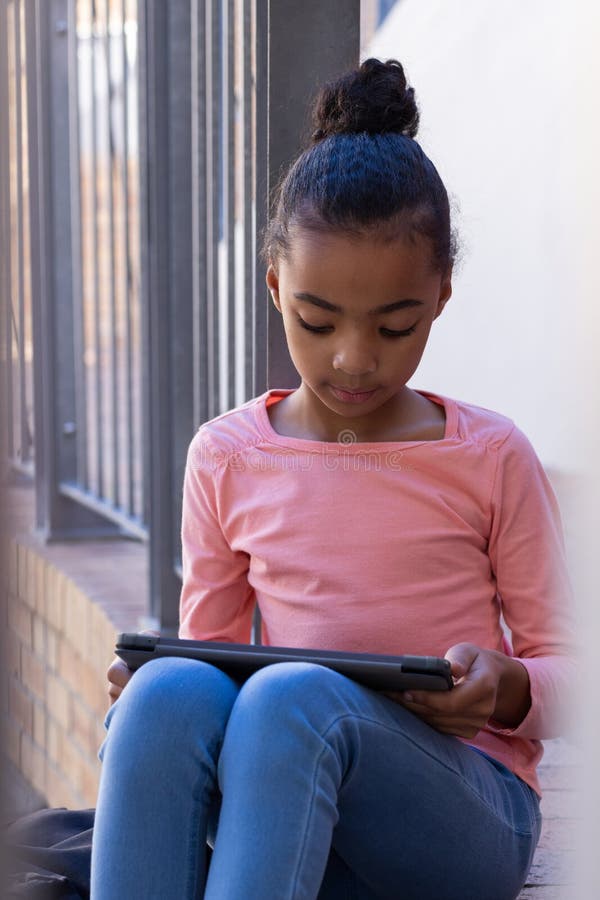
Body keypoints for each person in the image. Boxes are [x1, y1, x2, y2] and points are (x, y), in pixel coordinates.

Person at [90, 58, 576, 900]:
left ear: (441, 296)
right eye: (317, 321)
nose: (353, 359)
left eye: (395, 325)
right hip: (290, 801)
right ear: (277, 289)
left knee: (294, 698)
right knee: (171, 691)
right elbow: (213, 663)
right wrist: (148, 694)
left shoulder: (492, 457)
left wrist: (508, 690)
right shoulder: (227, 455)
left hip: (463, 809)